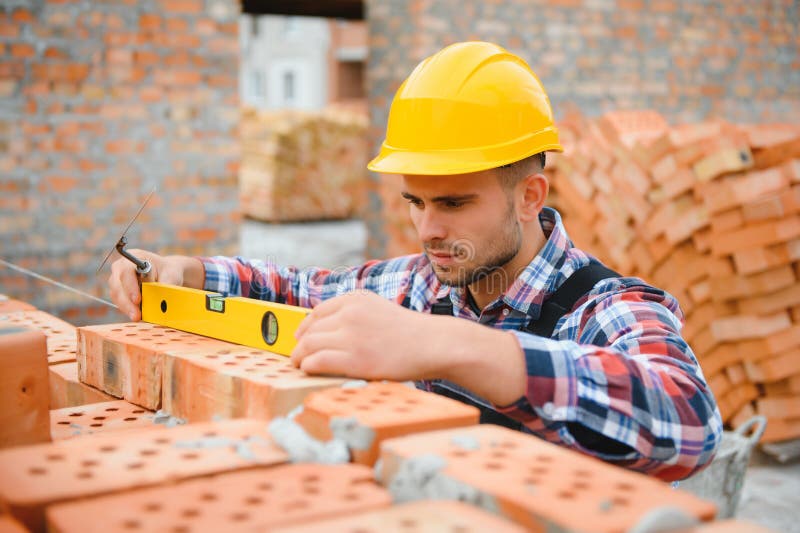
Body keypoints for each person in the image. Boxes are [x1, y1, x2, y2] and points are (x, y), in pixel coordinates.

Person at [109, 41, 721, 481]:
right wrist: (186, 271)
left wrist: (450, 345)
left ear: (529, 196)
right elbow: (294, 288)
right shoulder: (415, 286)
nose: (428, 229)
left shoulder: (603, 307)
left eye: (453, 202)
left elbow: (690, 421)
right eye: (415, 202)